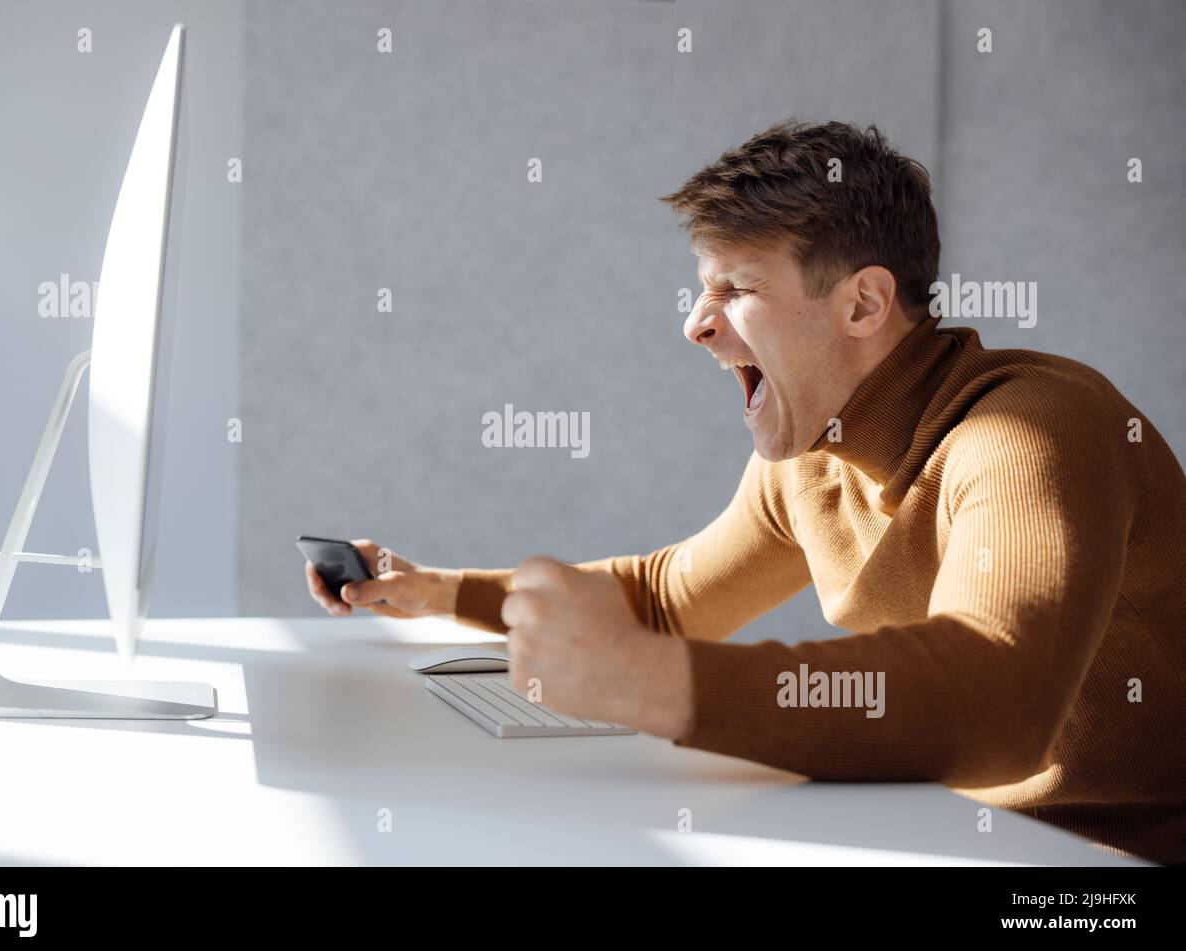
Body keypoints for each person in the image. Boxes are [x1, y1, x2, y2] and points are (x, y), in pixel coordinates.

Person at [305, 120, 1186, 864]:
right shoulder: (812, 456)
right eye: (701, 287)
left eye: (739, 287)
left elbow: (1000, 701)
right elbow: (666, 594)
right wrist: (436, 589)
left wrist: (655, 684)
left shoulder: (1030, 433)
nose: (697, 323)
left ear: (864, 303)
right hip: (954, 836)